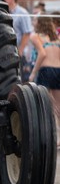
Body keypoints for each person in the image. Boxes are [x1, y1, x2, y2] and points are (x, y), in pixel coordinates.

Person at [30, 14, 60, 148]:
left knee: (44, 105)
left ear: (39, 22)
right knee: (58, 106)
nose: (33, 22)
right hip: (58, 70)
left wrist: (33, 73)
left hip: (45, 70)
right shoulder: (56, 38)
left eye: (35, 20)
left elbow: (42, 54)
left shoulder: (35, 36)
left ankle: (47, 137)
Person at [4, 0, 34, 81]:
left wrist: (20, 51)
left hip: (20, 54)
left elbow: (27, 33)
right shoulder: (6, 12)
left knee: (22, 80)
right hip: (10, 53)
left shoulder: (22, 13)